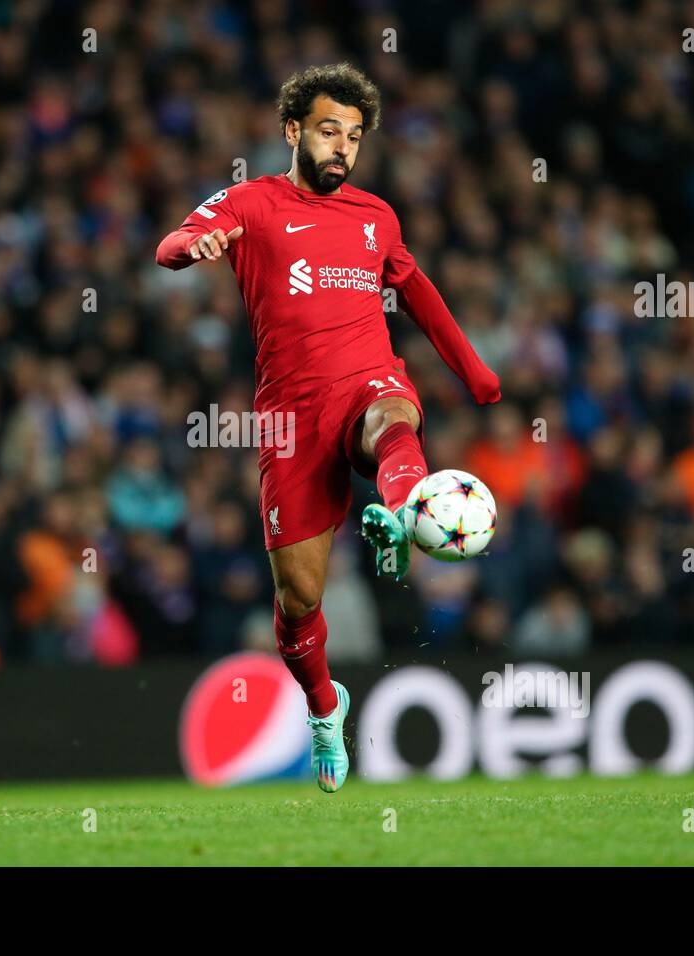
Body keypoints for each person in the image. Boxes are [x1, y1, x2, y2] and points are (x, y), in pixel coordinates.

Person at [156, 64, 500, 792]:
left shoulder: (377, 217)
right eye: (328, 131)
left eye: (353, 135)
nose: (342, 147)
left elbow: (417, 293)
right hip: (290, 420)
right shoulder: (249, 203)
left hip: (366, 383)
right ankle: (323, 706)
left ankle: (406, 512)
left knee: (392, 418)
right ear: (293, 131)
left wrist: (474, 373)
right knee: (299, 601)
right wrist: (197, 248)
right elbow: (171, 245)